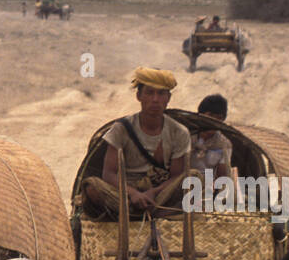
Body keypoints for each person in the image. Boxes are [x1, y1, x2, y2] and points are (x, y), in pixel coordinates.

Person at [81, 67, 197, 219]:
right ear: (139, 96)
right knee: (92, 187)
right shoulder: (121, 128)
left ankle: (146, 212)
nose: (155, 99)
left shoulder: (179, 132)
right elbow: (109, 173)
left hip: (159, 195)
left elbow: (176, 176)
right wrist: (134, 194)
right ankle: (154, 214)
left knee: (194, 178)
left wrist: (152, 193)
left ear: (168, 98)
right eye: (149, 93)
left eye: (161, 93)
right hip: (125, 195)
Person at [190, 93, 234, 180]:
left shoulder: (224, 144)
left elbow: (222, 175)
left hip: (208, 187)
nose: (213, 121)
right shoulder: (186, 137)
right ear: (200, 115)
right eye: (210, 115)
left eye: (218, 118)